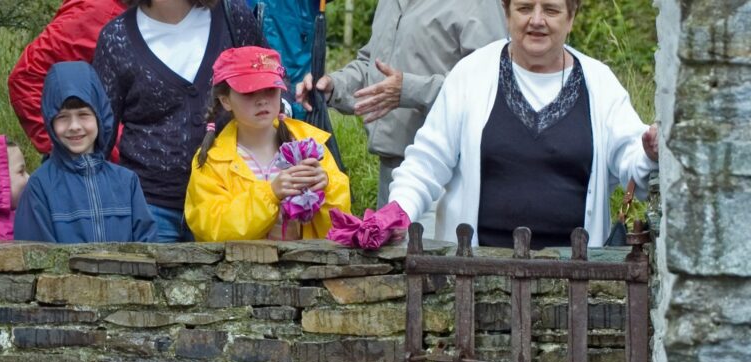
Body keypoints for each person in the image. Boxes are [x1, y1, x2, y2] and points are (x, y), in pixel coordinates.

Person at [386, 0, 659, 248]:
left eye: (551, 10)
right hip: (475, 277)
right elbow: (425, 163)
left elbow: (633, 162)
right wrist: (398, 210)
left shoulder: (599, 83)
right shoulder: (470, 74)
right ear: (507, 13)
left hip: (574, 279)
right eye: (525, 8)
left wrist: (648, 152)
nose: (537, 20)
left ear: (571, 17)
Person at [296, 0, 506, 207]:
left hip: (444, 180)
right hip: (390, 172)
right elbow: (372, 67)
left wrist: (410, 90)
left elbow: (489, 82)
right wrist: (333, 86)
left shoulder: (480, 4)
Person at [93, 0, 265, 242]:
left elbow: (269, 80)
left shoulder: (231, 16)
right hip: (150, 207)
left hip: (231, 200)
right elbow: (100, 135)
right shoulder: (115, 38)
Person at [185, 47, 350, 241]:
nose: (262, 100)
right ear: (225, 101)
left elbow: (340, 225)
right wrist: (270, 194)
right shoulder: (211, 161)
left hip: (306, 268)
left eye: (270, 90)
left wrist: (328, 189)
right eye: (249, 92)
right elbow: (213, 229)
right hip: (241, 270)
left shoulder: (310, 146)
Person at [14, 62, 157, 244]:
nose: (74, 126)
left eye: (83, 115)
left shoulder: (127, 182)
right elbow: (34, 257)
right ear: (50, 122)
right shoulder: (40, 186)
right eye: (62, 117)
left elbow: (147, 248)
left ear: (100, 117)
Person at [9, 0, 128, 155]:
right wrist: (72, 153)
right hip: (119, 164)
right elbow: (27, 78)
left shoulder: (155, 14)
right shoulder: (101, 12)